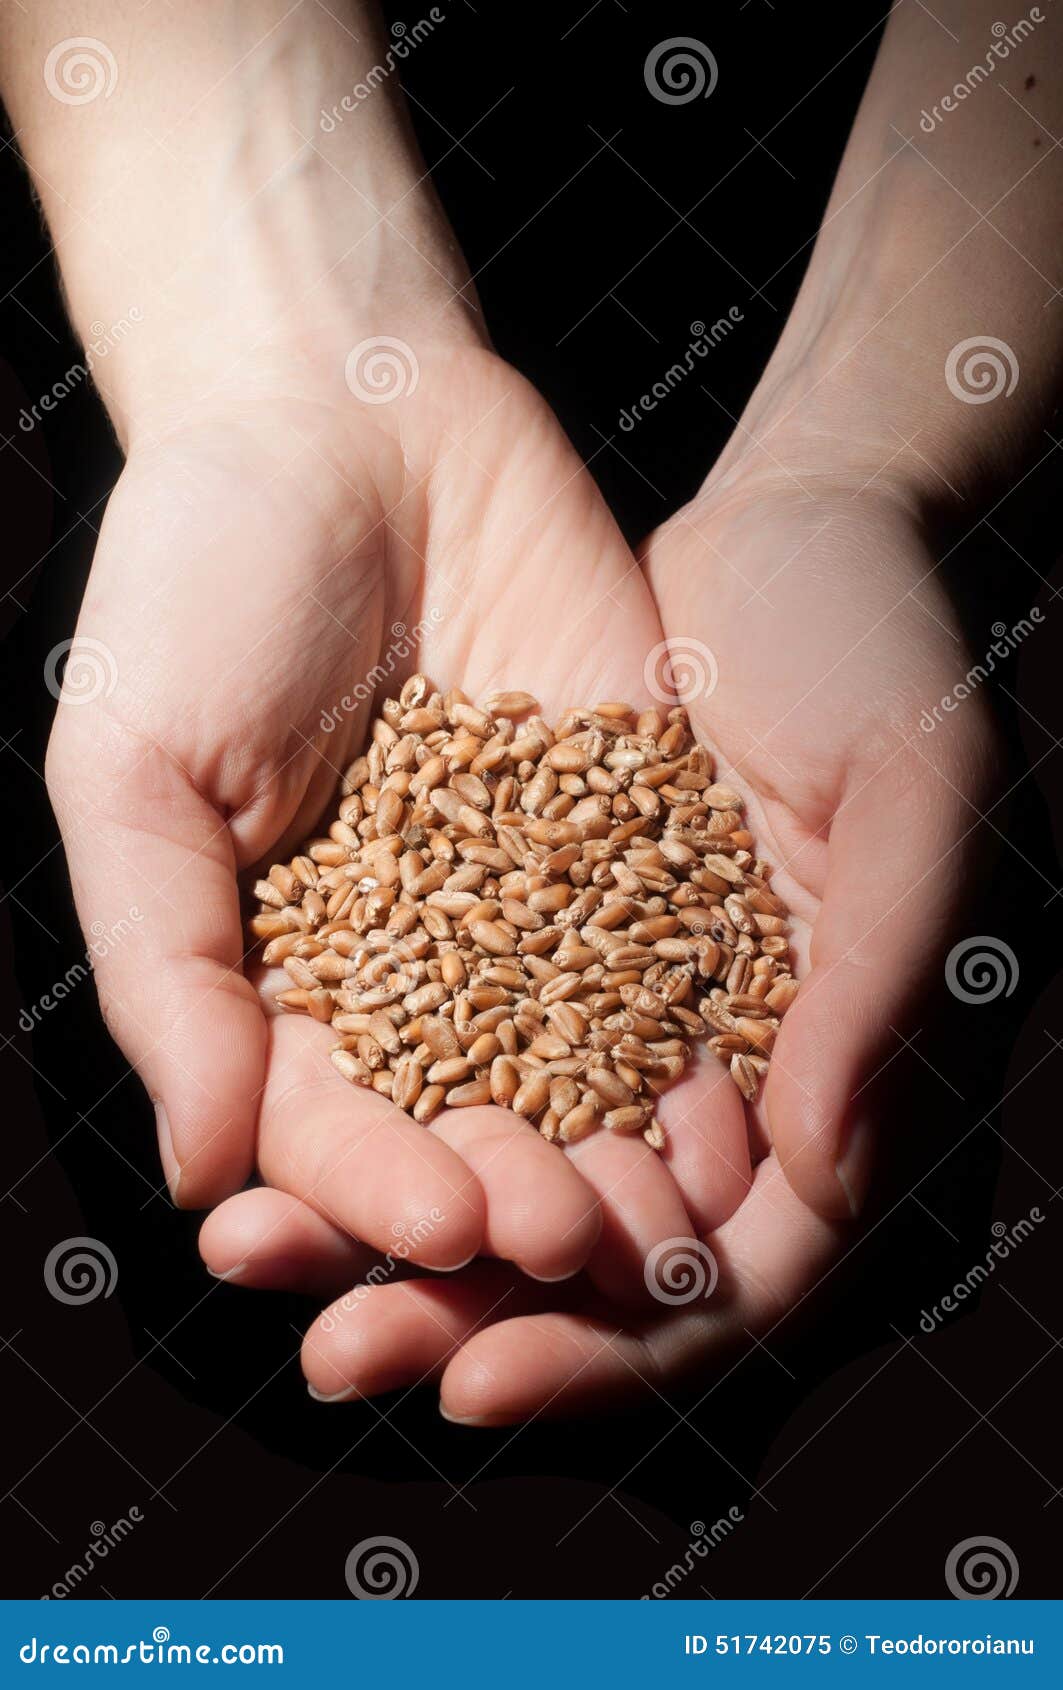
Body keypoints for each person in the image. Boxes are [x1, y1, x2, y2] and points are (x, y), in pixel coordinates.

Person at [1, 0, 1052, 1423]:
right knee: (260, 1313)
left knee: (840, 1279)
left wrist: (868, 448)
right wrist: (277, 355)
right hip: (207, 335)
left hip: (809, 274)